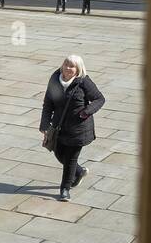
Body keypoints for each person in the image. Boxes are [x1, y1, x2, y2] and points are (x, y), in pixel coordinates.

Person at [39, 54, 106, 202]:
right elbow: (48, 103)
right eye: (66, 64)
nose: (68, 68)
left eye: (72, 66)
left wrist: (86, 112)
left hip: (78, 128)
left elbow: (99, 99)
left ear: (78, 69)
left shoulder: (83, 82)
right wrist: (45, 124)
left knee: (70, 159)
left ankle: (65, 189)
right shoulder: (55, 80)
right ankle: (80, 171)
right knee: (58, 153)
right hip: (59, 126)